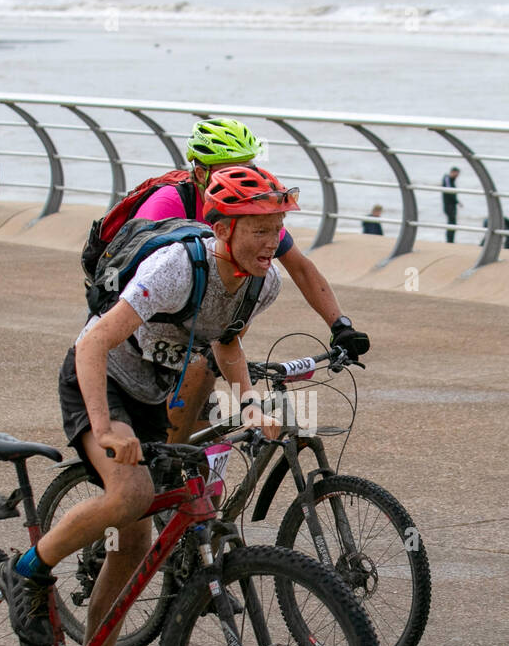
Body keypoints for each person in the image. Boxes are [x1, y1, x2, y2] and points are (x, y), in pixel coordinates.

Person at [0, 166, 294, 646]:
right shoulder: (178, 268)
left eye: (277, 228)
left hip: (153, 395)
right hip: (100, 382)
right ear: (223, 227)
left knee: (135, 545)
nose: (270, 242)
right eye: (258, 229)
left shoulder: (263, 281)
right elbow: (93, 341)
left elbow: (225, 338)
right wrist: (104, 428)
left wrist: (250, 401)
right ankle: (26, 572)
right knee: (129, 496)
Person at [131, 119, 370, 442]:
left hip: (208, 331)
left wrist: (339, 324)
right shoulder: (167, 207)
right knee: (174, 453)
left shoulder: (249, 210)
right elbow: (137, 281)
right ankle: (164, 475)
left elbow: (301, 268)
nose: (243, 179)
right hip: (148, 332)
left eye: (249, 169)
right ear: (200, 173)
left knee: (203, 464)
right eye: (230, 170)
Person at [441, 167, 461, 243]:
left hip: (452, 205)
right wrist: (456, 201)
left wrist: (457, 202)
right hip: (448, 205)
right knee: (451, 223)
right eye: (457, 173)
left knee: (453, 223)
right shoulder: (447, 178)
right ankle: (449, 241)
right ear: (453, 172)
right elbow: (449, 191)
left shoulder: (451, 180)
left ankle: (451, 241)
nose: (457, 176)